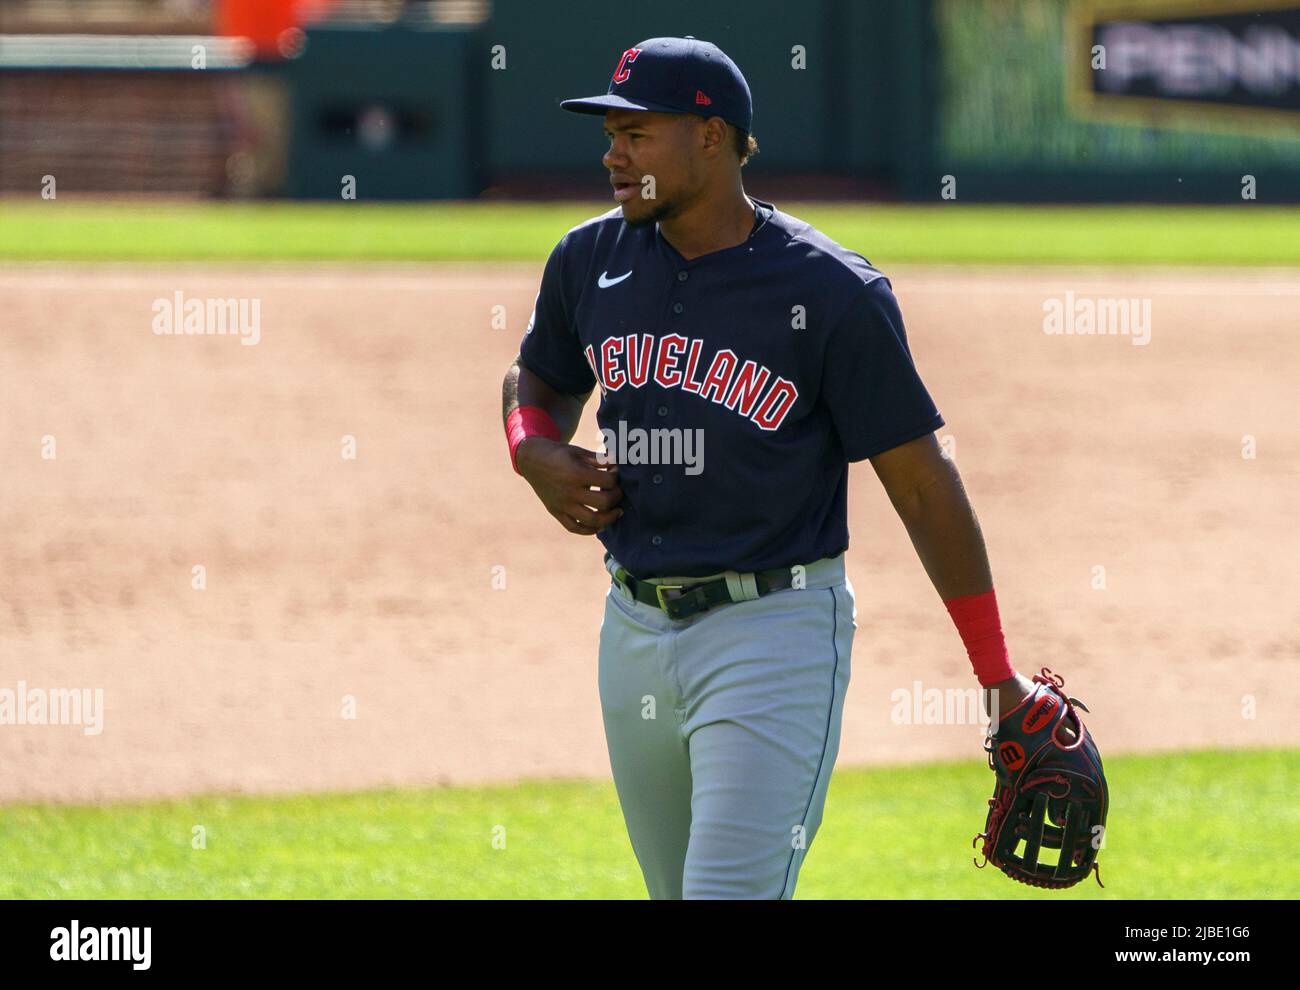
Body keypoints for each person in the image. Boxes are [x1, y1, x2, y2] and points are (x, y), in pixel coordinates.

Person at [500, 36, 1049, 899]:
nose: (612, 155)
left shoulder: (830, 290)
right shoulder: (588, 258)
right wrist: (531, 449)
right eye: (610, 133)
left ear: (711, 138)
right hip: (632, 631)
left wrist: (996, 676)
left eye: (637, 134)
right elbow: (539, 373)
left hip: (773, 635)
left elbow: (920, 478)